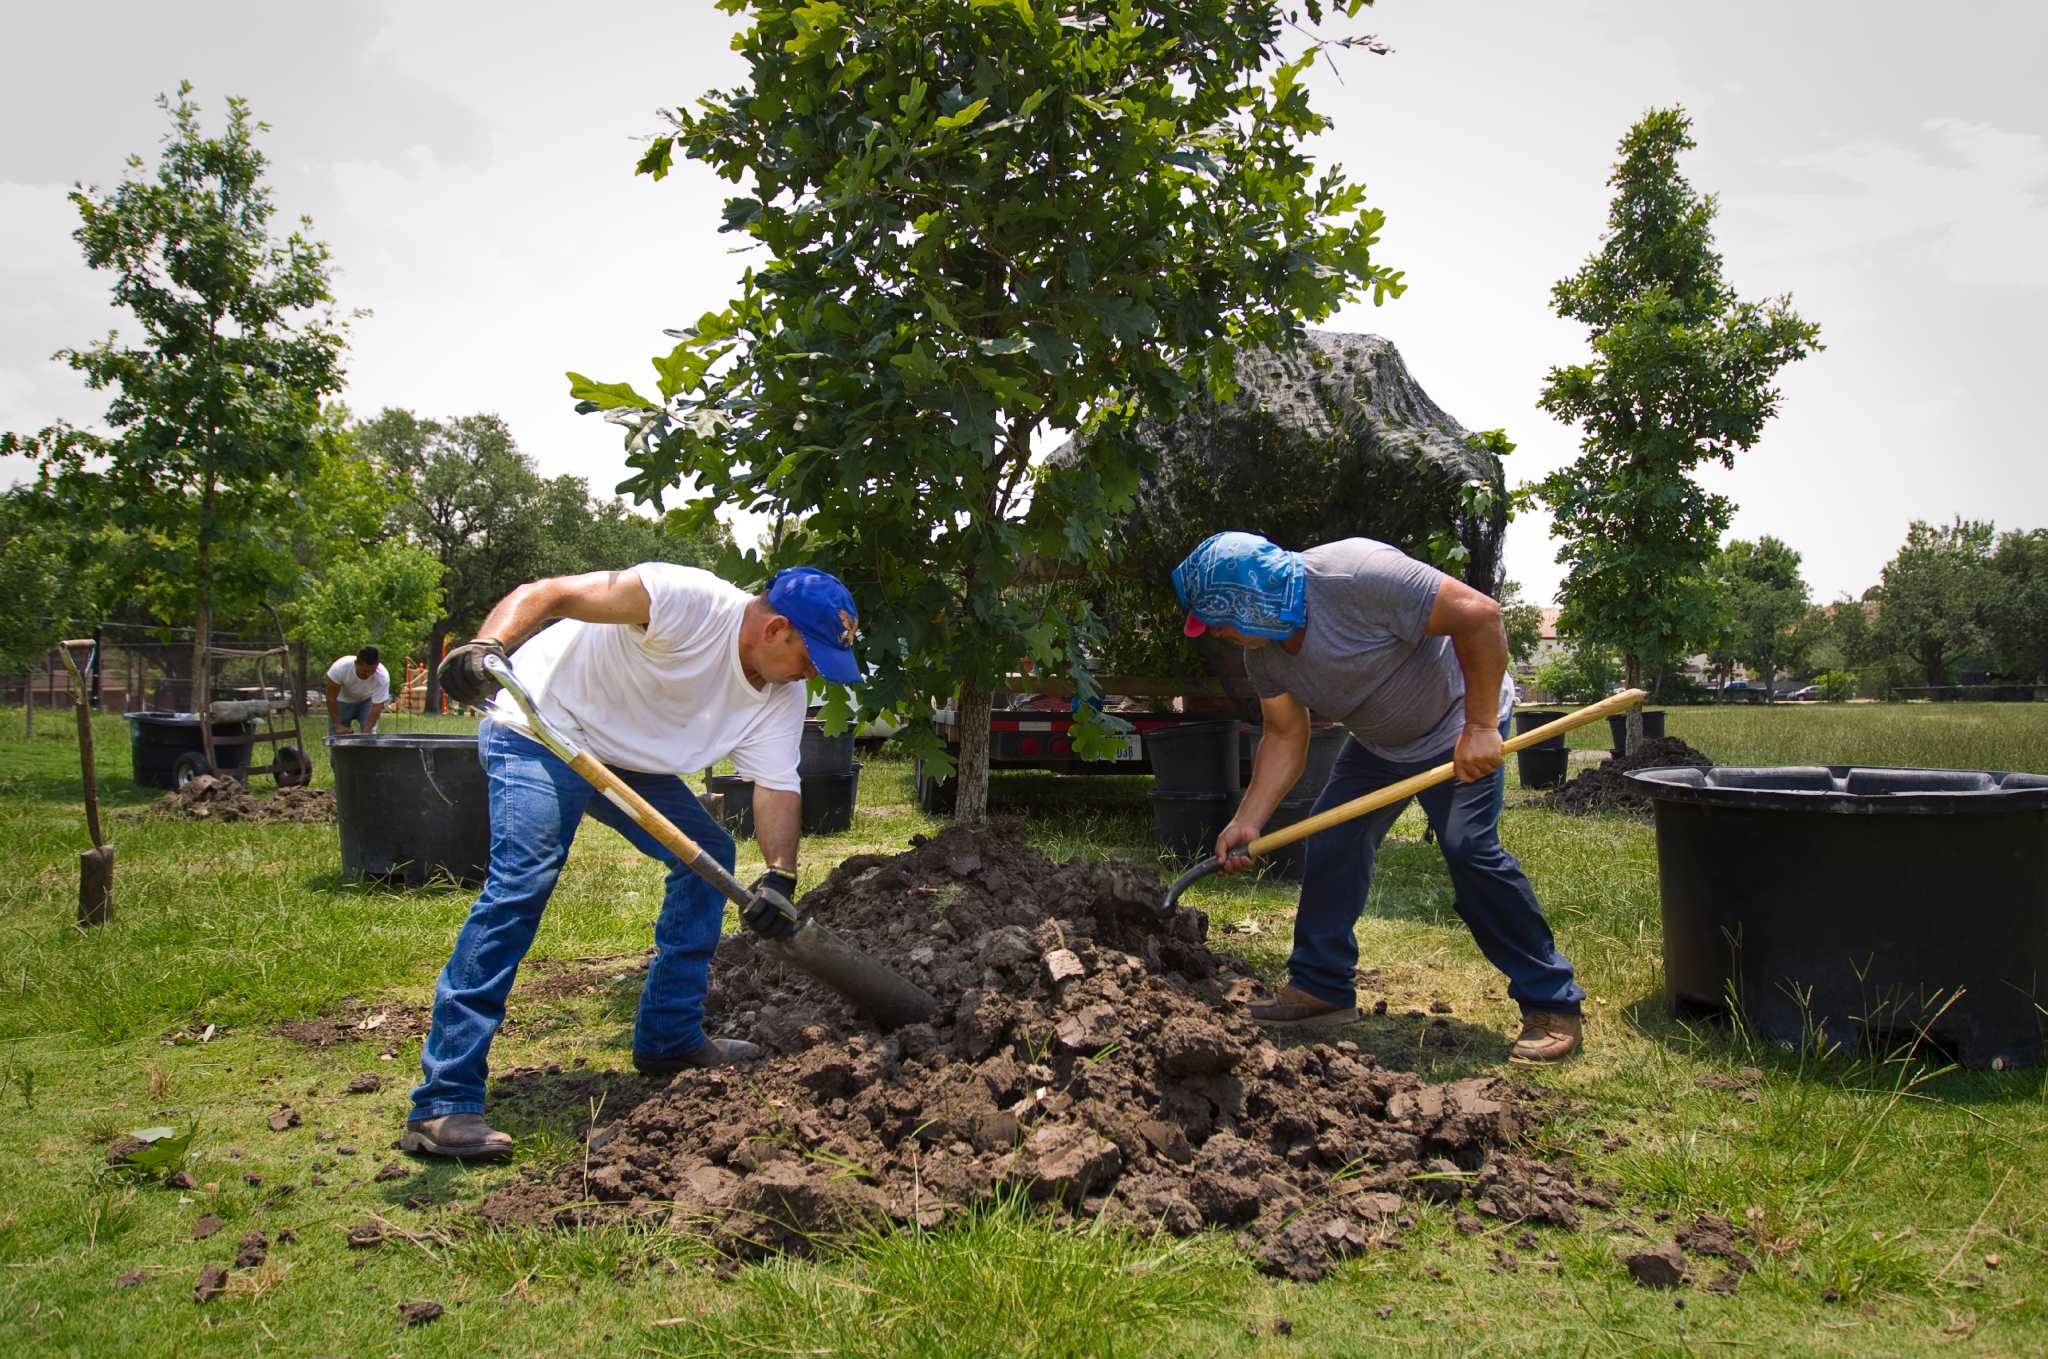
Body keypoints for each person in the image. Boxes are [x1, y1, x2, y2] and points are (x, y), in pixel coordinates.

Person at [400, 562, 862, 1159]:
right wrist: (487, 646)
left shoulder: (780, 692)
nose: (811, 673)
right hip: (541, 729)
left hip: (625, 762)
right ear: (776, 629)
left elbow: (777, 785)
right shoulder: (684, 600)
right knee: (523, 882)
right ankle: (444, 1100)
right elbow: (548, 594)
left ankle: (669, 1036)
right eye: (810, 657)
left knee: (710, 856)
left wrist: (779, 876)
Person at [1173, 531, 1585, 1064]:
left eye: (1220, 621)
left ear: (1252, 597)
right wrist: (1249, 820)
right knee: (1333, 840)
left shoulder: (1355, 574)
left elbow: (1478, 615)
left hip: (1459, 724)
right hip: (1382, 744)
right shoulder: (1266, 656)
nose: (1221, 636)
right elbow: (1284, 735)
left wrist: (1482, 725)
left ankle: (1551, 1002)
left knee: (1469, 849)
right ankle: (1322, 988)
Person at [325, 646, 390, 734]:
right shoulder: (339, 668)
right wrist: (337, 725)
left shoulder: (383, 676)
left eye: (373, 670)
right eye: (366, 671)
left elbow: (377, 707)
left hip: (367, 701)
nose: (370, 674)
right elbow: (331, 698)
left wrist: (367, 731)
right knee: (337, 736)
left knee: (370, 737)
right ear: (356, 663)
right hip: (342, 701)